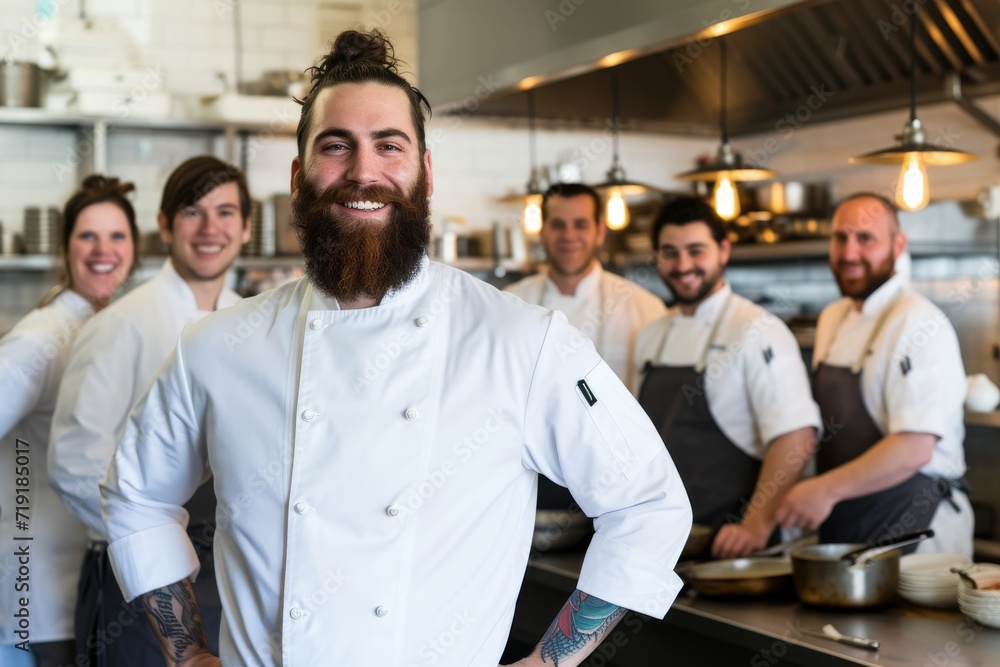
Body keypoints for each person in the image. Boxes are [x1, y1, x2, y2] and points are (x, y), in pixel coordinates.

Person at [99, 29, 691, 667]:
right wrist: (186, 654)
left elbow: (648, 503)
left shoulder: (522, 340)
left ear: (425, 173)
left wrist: (551, 662)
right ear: (298, 177)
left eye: (389, 145)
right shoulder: (216, 347)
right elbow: (136, 496)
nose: (363, 172)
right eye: (336, 146)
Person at [49, 156, 250, 665]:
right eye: (192, 212)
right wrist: (153, 540)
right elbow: (72, 464)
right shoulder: (122, 325)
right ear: (163, 225)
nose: (210, 229)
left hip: (226, 571)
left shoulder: (250, 322)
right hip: (133, 583)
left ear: (246, 228)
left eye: (225, 213)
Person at [776, 193, 972, 556]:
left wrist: (825, 489)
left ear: (898, 245)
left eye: (865, 238)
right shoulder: (832, 318)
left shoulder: (919, 322)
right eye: (840, 238)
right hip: (849, 519)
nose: (849, 253)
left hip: (916, 525)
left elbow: (914, 447)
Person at [633, 197, 820, 559]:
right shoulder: (651, 335)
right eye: (669, 253)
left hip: (733, 546)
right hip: (666, 542)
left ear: (723, 250)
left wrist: (755, 524)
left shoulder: (758, 330)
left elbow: (796, 436)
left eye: (696, 251)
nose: (683, 265)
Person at [0, 176, 138, 667]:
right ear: (65, 248)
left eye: (117, 236)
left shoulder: (109, 327)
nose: (104, 250)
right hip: (37, 592)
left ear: (134, 248)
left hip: (89, 582)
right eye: (88, 236)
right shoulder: (41, 338)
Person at [505, 182, 666, 392]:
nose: (569, 236)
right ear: (542, 231)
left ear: (600, 232)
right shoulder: (510, 303)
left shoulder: (646, 309)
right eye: (558, 225)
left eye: (581, 225)